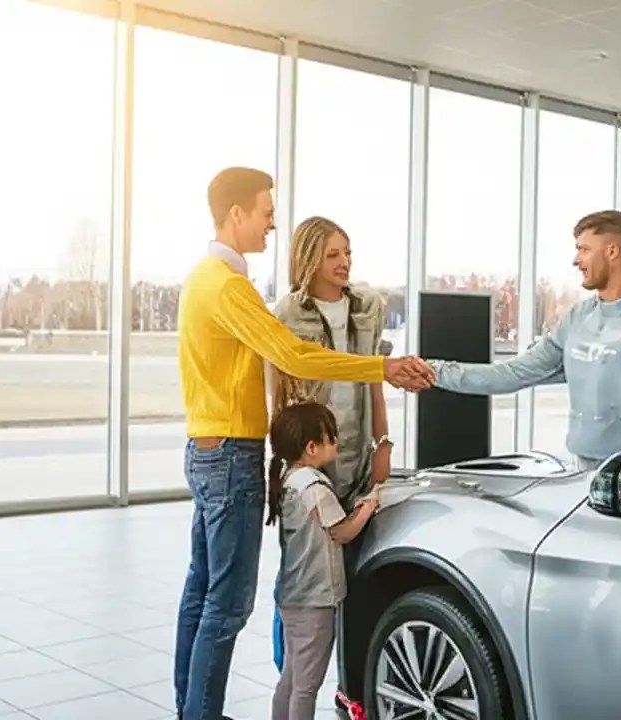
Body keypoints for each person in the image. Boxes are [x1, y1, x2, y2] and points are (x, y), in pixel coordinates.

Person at [173, 167, 431, 720]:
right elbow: (292, 357)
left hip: (207, 448)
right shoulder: (228, 285)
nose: (271, 222)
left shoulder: (202, 278)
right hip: (230, 456)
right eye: (265, 211)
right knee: (227, 604)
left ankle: (190, 709)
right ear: (237, 212)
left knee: (202, 596)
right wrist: (381, 367)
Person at [429, 210, 621, 470]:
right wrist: (432, 372)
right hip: (579, 472)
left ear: (612, 252)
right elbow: (511, 373)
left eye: (584, 249)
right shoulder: (578, 317)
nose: (576, 260)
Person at [267, 216, 393, 674]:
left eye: (348, 252)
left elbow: (375, 376)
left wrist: (383, 439)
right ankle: (294, 671)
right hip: (310, 464)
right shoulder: (286, 314)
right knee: (304, 577)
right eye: (332, 254)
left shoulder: (367, 306)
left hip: (356, 457)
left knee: (355, 575)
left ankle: (350, 681)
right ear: (309, 259)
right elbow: (280, 393)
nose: (344, 263)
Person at [267, 402, 377, 720]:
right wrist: (368, 507)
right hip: (315, 601)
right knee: (306, 686)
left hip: (291, 596)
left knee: (290, 678)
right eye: (331, 439)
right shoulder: (315, 487)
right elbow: (342, 533)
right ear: (311, 447)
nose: (336, 444)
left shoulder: (289, 478)